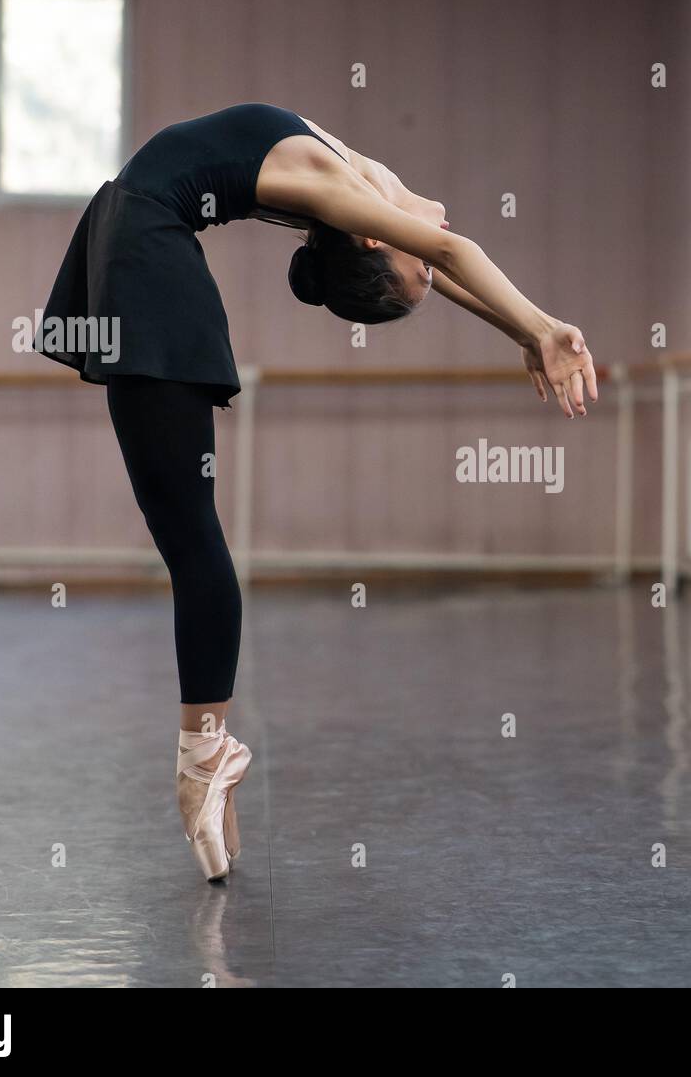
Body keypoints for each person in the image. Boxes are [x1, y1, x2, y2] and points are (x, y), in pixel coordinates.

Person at [38, 103, 598, 881]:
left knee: (188, 533)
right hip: (137, 250)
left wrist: (528, 330)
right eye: (420, 273)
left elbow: (438, 249)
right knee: (190, 534)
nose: (427, 261)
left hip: (136, 246)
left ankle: (205, 755)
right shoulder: (333, 181)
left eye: (419, 273)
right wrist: (536, 326)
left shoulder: (337, 186)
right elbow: (445, 246)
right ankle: (203, 758)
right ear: (374, 235)